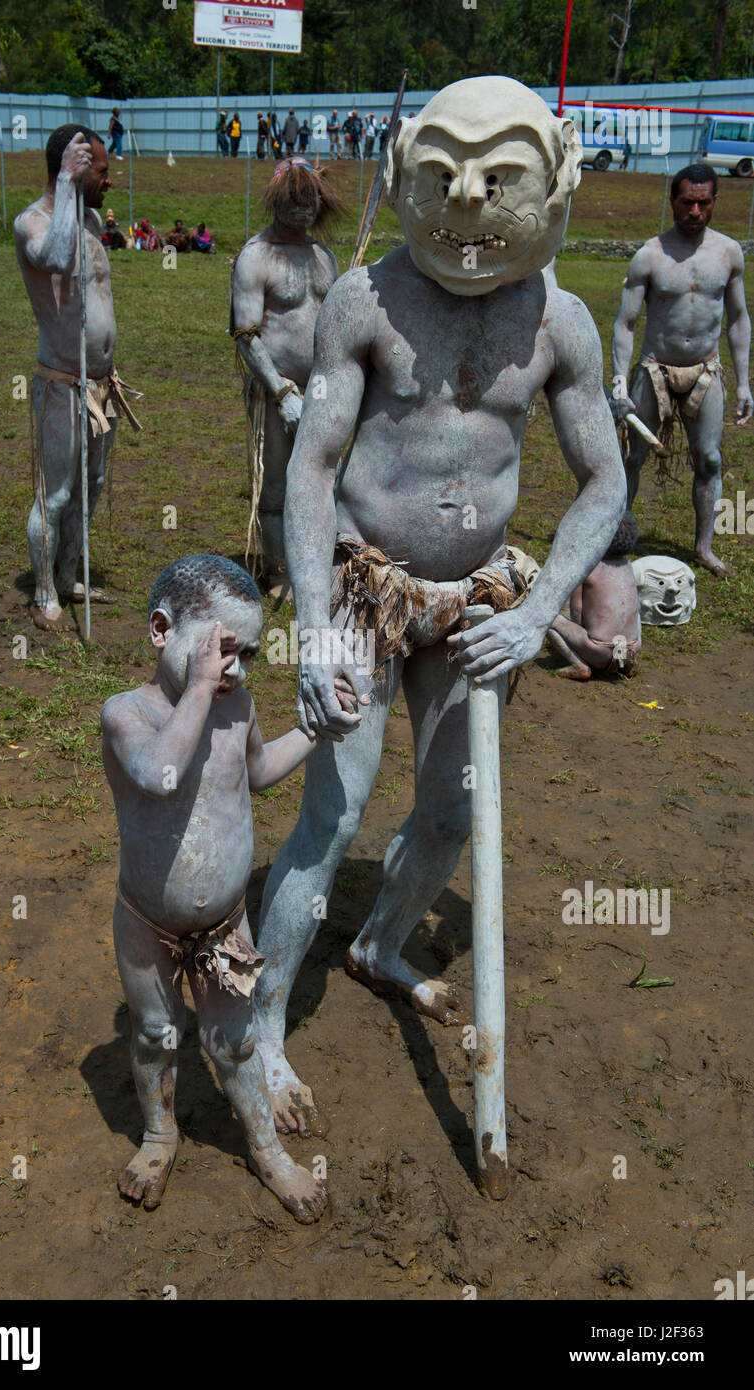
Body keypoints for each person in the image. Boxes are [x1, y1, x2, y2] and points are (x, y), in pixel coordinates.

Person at [252, 77, 627, 1136]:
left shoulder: (560, 319)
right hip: (369, 593)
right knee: (330, 814)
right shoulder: (362, 302)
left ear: (548, 189)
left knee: (451, 809)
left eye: (498, 179)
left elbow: (602, 479)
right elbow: (313, 469)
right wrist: (317, 623)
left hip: (482, 606)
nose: (470, 208)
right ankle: (261, 1028)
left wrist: (542, 603)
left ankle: (376, 945)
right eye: (448, 179)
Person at [102, 554, 328, 1222]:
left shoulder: (238, 708)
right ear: (160, 630)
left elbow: (256, 772)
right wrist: (200, 688)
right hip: (147, 922)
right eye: (223, 651)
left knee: (234, 1041)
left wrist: (316, 730)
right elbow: (162, 774)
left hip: (226, 923)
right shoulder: (127, 715)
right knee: (152, 1033)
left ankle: (265, 1150)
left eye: (249, 654)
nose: (235, 670)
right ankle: (159, 1132)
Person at [14, 126, 142, 631]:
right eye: (102, 170)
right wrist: (66, 182)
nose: (110, 181)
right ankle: (44, 592)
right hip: (62, 382)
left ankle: (67, 576)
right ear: (72, 167)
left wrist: (75, 190)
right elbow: (55, 258)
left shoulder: (88, 218)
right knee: (58, 492)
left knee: (92, 484)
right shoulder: (33, 223)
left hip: (100, 384)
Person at [611, 162, 752, 575]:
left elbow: (739, 319)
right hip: (654, 369)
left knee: (708, 459)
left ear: (713, 203)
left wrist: (743, 384)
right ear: (673, 201)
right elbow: (625, 321)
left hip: (705, 372)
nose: (695, 212)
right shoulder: (649, 256)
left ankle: (704, 547)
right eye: (687, 202)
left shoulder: (728, 253)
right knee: (632, 458)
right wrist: (620, 379)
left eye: (704, 203)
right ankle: (615, 535)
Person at [230, 158, 344, 600]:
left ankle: (314, 562)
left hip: (322, 390)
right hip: (275, 390)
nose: (304, 206)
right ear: (277, 199)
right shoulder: (256, 256)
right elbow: (246, 333)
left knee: (321, 480)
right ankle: (278, 572)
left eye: (311, 197)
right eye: (295, 197)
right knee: (277, 483)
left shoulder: (324, 257)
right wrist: (280, 392)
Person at [546, 511, 642, 678]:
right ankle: (624, 664)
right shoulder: (628, 566)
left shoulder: (588, 568)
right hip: (631, 647)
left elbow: (577, 612)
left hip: (600, 650)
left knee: (548, 619)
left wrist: (580, 641)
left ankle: (579, 665)